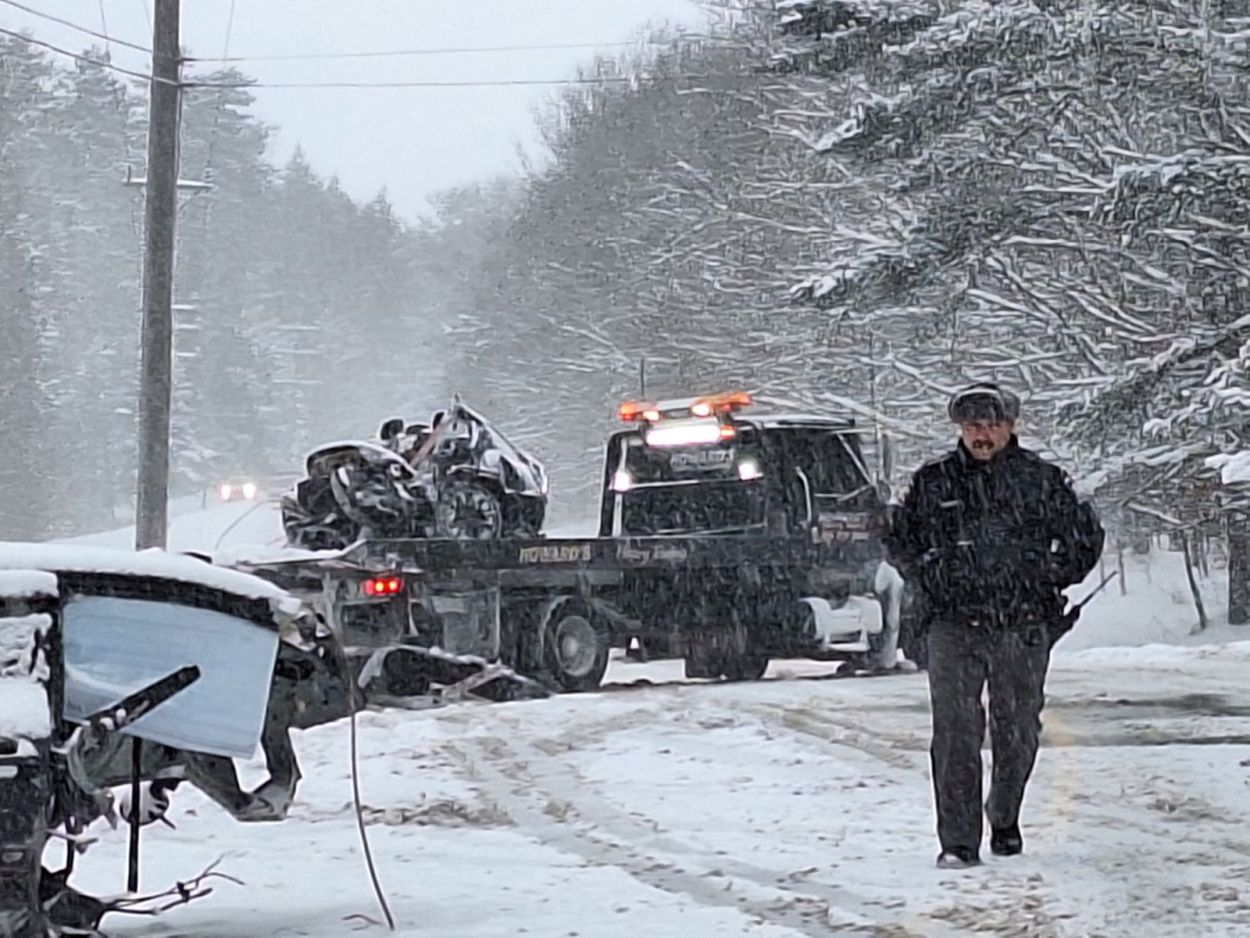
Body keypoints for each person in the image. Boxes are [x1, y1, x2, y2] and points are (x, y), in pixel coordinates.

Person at [884, 383, 1104, 869]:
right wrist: (931, 573)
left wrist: (1049, 576)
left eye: (991, 424)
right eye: (972, 426)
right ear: (960, 429)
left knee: (1018, 729)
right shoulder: (933, 482)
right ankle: (959, 842)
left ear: (1010, 426)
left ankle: (1004, 815)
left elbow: (1084, 540)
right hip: (953, 625)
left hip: (1021, 625)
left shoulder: (1041, 481)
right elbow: (899, 540)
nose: (981, 435)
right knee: (956, 733)